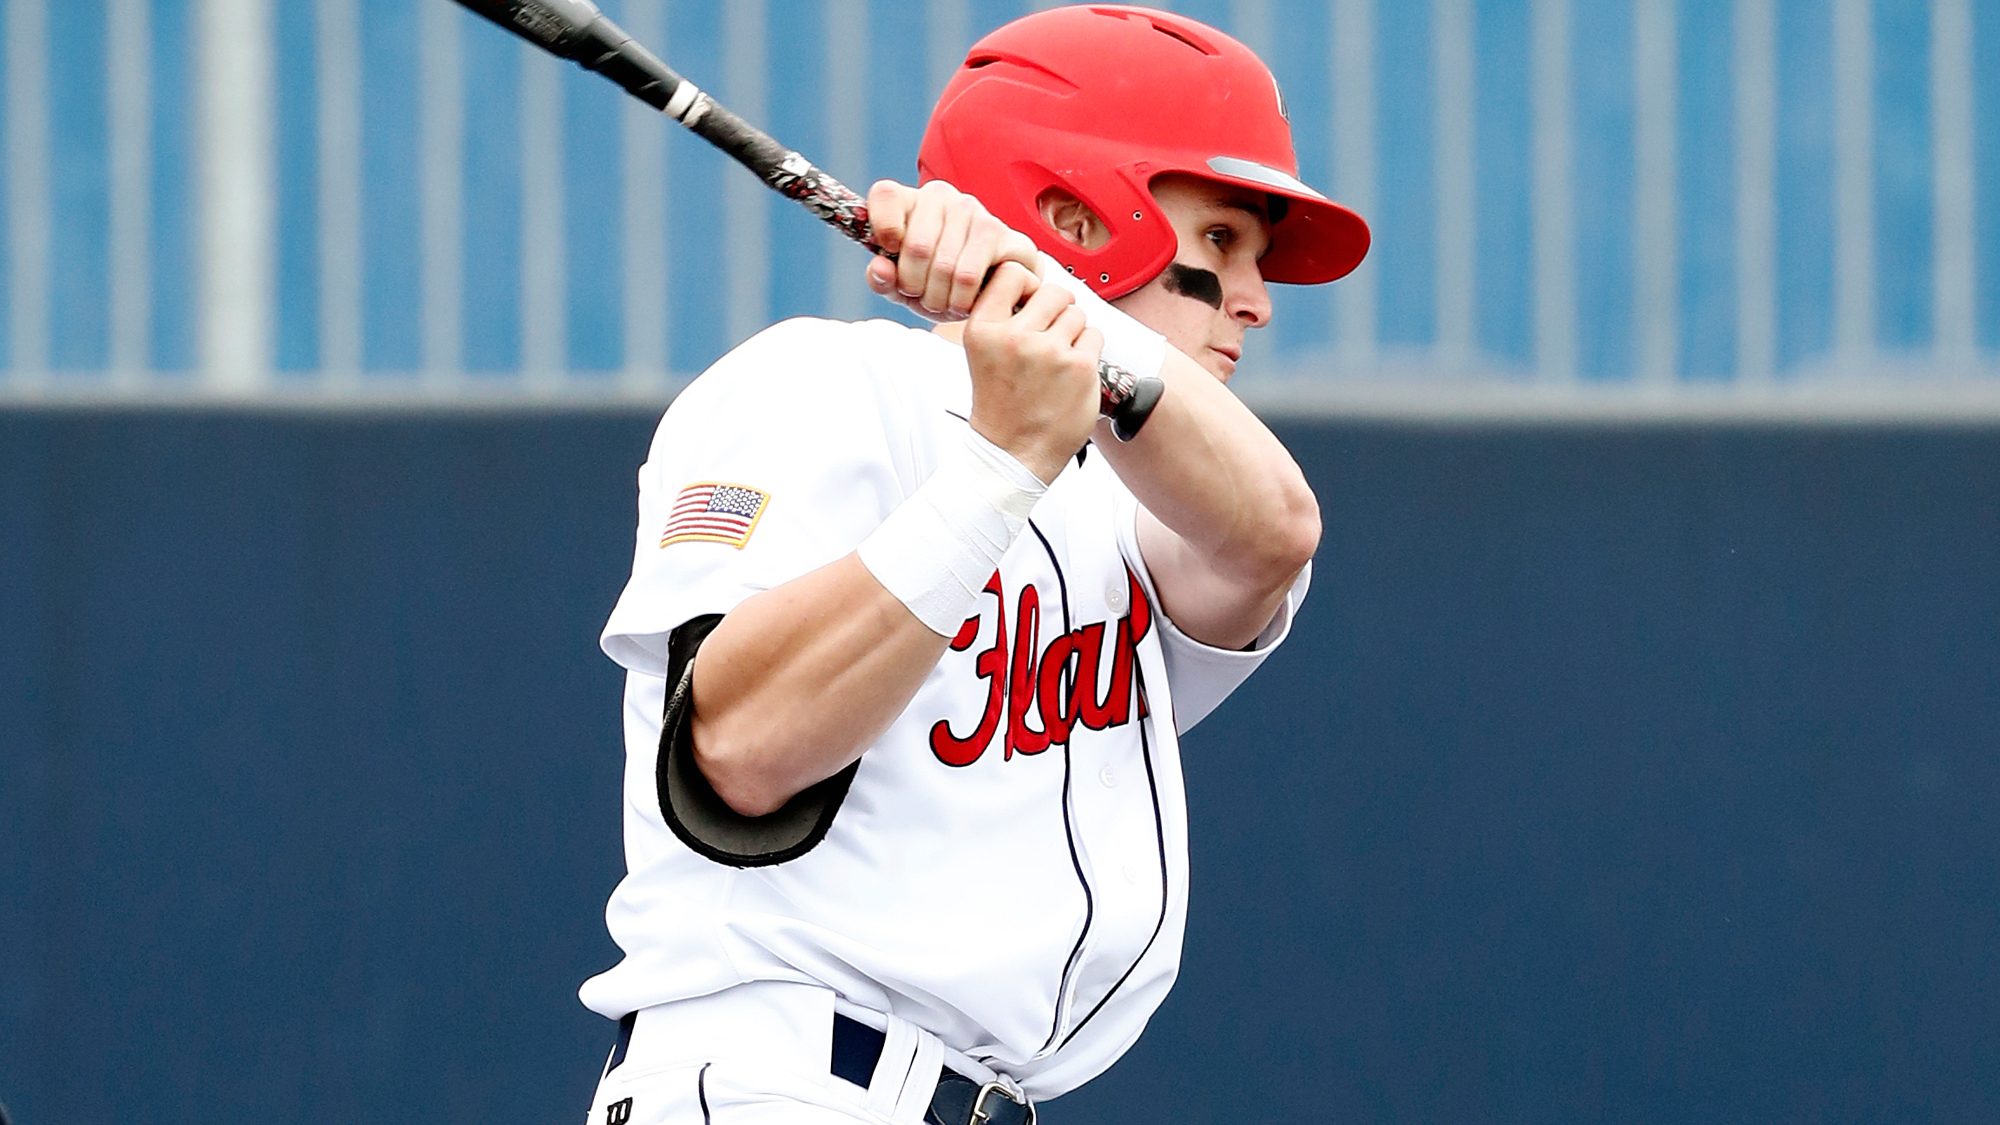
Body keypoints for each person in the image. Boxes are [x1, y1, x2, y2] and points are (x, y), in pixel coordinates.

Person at [580, 6, 1369, 1123]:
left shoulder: (1129, 503)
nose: (1256, 299)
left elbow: (1273, 533)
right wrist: (998, 468)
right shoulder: (825, 383)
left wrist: (1052, 303)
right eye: (1220, 239)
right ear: (1076, 215)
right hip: (775, 1076)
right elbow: (737, 754)